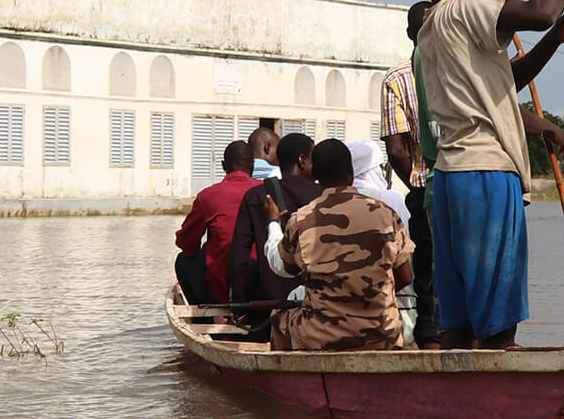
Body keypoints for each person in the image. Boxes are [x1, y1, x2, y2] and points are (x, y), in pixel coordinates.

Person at [410, 0, 564, 350]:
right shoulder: (472, 4)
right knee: (498, 327)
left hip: (449, 180)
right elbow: (542, 11)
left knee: (458, 326)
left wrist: (558, 37)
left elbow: (504, 81)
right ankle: (502, 383)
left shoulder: (427, 31)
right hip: (487, 172)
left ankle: (461, 401)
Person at [270, 139, 415, 352]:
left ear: (315, 176)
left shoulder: (302, 218)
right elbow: (405, 277)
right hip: (382, 333)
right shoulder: (386, 214)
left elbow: (284, 268)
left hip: (321, 336)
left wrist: (273, 223)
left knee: (278, 320)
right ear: (350, 170)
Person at [380, 0, 439, 346]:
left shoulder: (396, 79)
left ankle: (432, 343)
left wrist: (420, 185)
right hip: (464, 183)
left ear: (409, 34)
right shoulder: (463, 70)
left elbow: (397, 150)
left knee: (429, 283)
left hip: (425, 191)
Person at [228, 131, 318, 307]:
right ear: (302, 160)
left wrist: (239, 302)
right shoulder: (323, 197)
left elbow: (239, 256)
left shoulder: (256, 196)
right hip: (313, 302)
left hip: (268, 303)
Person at [174, 139, 256, 305]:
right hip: (260, 281)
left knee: (183, 260)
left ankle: (207, 315)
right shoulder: (265, 191)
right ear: (252, 166)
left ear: (223, 166)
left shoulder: (208, 196)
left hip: (222, 286)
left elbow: (187, 244)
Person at [348, 139, 409, 224]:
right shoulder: (393, 198)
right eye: (380, 166)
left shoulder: (337, 200)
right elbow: (406, 232)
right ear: (374, 169)